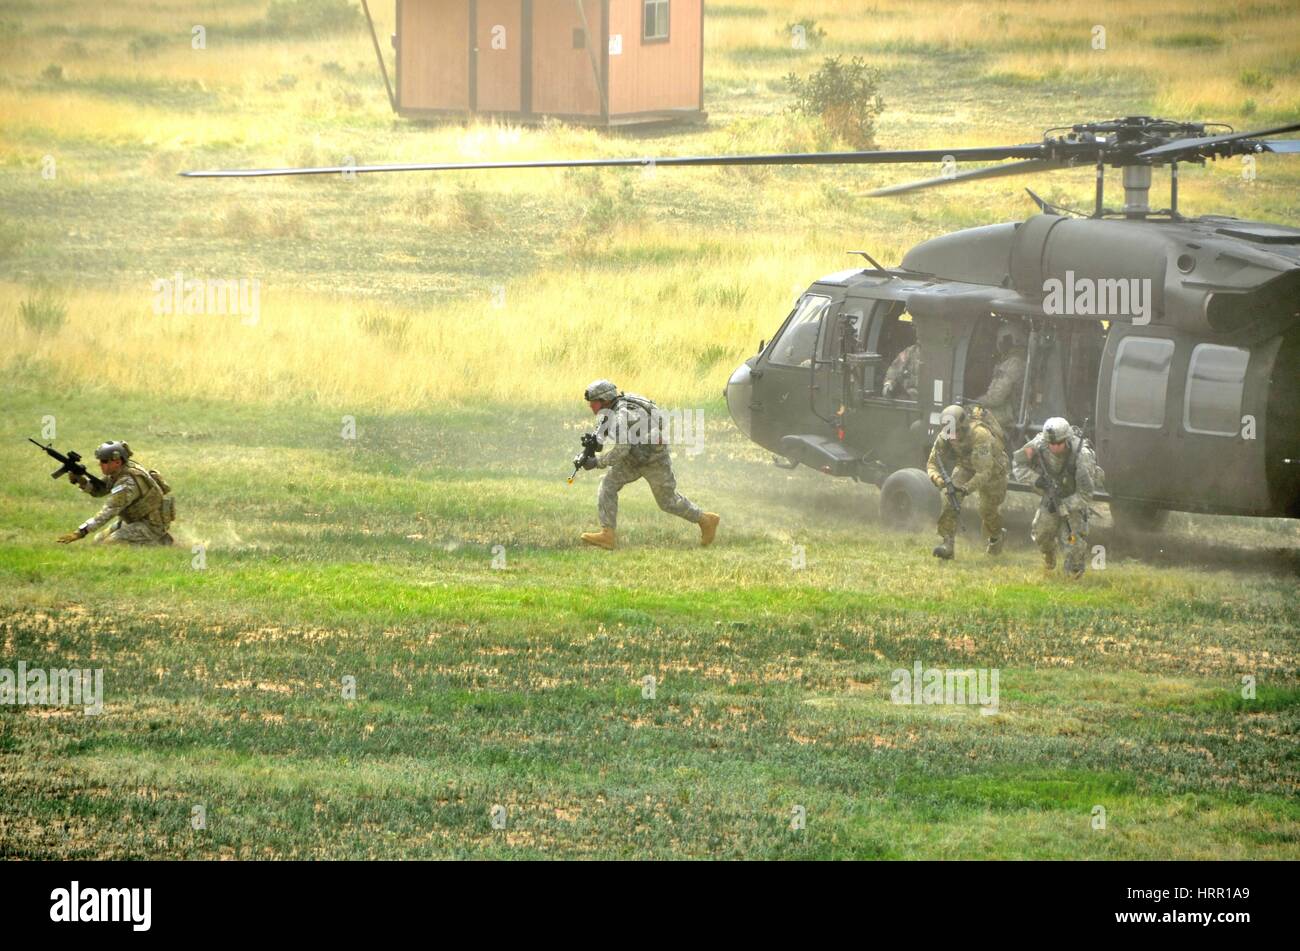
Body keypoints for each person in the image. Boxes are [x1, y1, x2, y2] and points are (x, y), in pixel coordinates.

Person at [577, 380, 719, 550]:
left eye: (594, 402)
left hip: (653, 460)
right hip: (633, 459)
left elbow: (621, 450)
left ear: (605, 400)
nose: (591, 406)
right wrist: (589, 449)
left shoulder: (621, 415)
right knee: (608, 485)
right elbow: (607, 434)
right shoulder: (621, 404)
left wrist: (597, 462)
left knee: (667, 501)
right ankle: (607, 535)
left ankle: (706, 520)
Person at [1012, 416, 1099, 579]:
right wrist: (1036, 480)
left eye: (1058, 444)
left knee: (1072, 544)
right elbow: (1018, 464)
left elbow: (1086, 494)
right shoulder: (1038, 445)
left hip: (1074, 501)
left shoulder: (1082, 455)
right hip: (1050, 497)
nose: (1054, 447)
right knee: (1041, 534)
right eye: (1051, 444)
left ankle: (1074, 571)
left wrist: (1065, 505)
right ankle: (1049, 555)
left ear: (1066, 440)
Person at [925, 404, 1008, 560]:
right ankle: (947, 544)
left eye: (955, 432)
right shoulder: (945, 435)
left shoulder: (980, 435)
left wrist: (965, 489)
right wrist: (938, 479)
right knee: (949, 498)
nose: (952, 437)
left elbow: (984, 472)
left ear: (963, 427)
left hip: (994, 471)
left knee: (986, 510)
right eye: (949, 433)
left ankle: (997, 535)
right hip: (966, 466)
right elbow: (931, 463)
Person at [57, 441, 174, 546]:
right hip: (134, 521)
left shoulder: (127, 483)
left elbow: (109, 511)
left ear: (117, 462)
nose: (100, 464)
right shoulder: (119, 472)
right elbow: (100, 490)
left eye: (104, 461)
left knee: (110, 544)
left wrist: (81, 532)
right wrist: (81, 480)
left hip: (150, 525)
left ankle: (158, 543)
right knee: (98, 541)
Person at [974, 321, 1028, 436]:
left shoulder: (1013, 363)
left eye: (1003, 341)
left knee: (969, 415)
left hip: (1010, 412)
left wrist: (977, 401)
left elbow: (996, 398)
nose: (1000, 344)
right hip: (1013, 409)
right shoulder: (1019, 360)